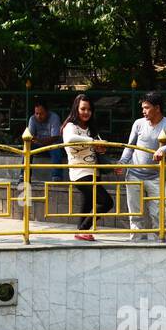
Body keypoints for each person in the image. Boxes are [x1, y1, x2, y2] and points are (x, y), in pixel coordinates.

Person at [116, 91, 166, 240]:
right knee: (135, 214)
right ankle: (136, 242)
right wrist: (122, 162)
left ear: (157, 108)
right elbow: (130, 146)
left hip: (155, 177)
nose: (143, 111)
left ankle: (159, 242)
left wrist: (162, 149)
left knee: (159, 214)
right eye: (143, 108)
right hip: (134, 175)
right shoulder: (138, 124)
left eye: (146, 107)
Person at [62, 93, 111, 241]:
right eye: (83, 109)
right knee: (107, 202)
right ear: (76, 109)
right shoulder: (70, 126)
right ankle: (84, 228)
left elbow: (99, 147)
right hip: (80, 172)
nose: (86, 112)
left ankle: (80, 231)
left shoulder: (91, 128)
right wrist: (92, 141)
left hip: (93, 171)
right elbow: (70, 139)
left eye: (89, 109)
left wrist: (101, 148)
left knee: (87, 203)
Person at [26, 98, 65, 168]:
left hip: (52, 146)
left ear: (47, 112)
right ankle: (23, 175)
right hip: (39, 145)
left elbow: (54, 138)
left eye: (41, 114)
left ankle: (56, 177)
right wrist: (33, 140)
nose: (38, 116)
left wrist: (38, 140)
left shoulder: (54, 117)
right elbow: (30, 137)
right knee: (27, 147)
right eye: (36, 113)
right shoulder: (32, 119)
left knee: (55, 147)